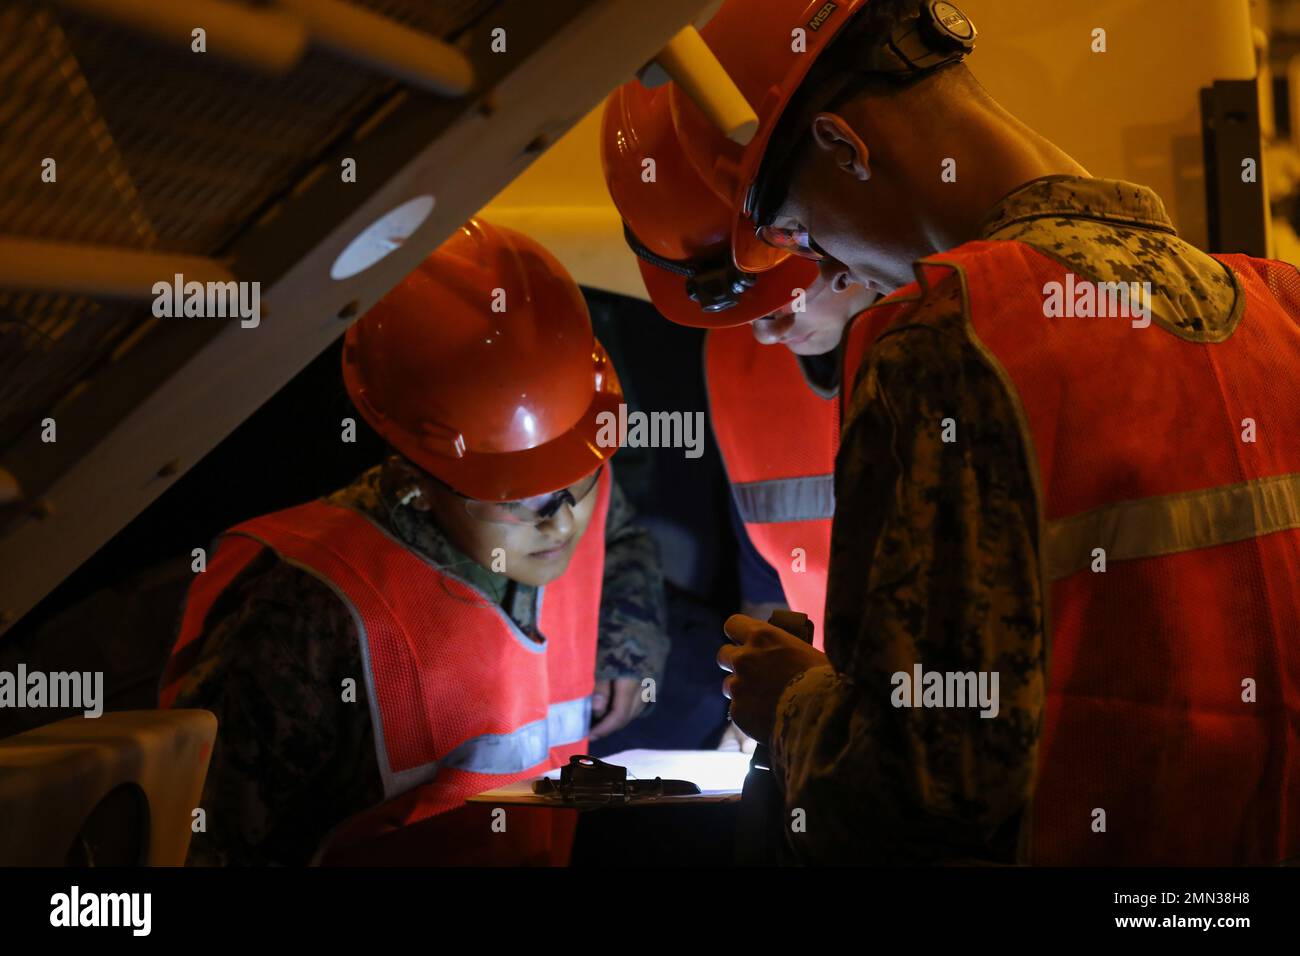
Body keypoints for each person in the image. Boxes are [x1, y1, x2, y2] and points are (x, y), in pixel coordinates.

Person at [617, 0, 1300, 864]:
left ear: (842, 147)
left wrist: (790, 703)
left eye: (794, 227)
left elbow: (926, 785)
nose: (821, 262)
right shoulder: (1278, 306)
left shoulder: (950, 345)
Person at [159, 219, 668, 865]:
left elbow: (617, 537)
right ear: (415, 480)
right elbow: (203, 842)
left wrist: (627, 644)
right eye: (517, 499)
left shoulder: (574, 471)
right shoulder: (301, 613)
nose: (563, 522)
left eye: (580, 479)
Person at [603, 85, 876, 644]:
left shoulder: (981, 341)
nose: (765, 333)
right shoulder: (738, 363)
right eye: (743, 310)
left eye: (779, 299)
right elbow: (769, 589)